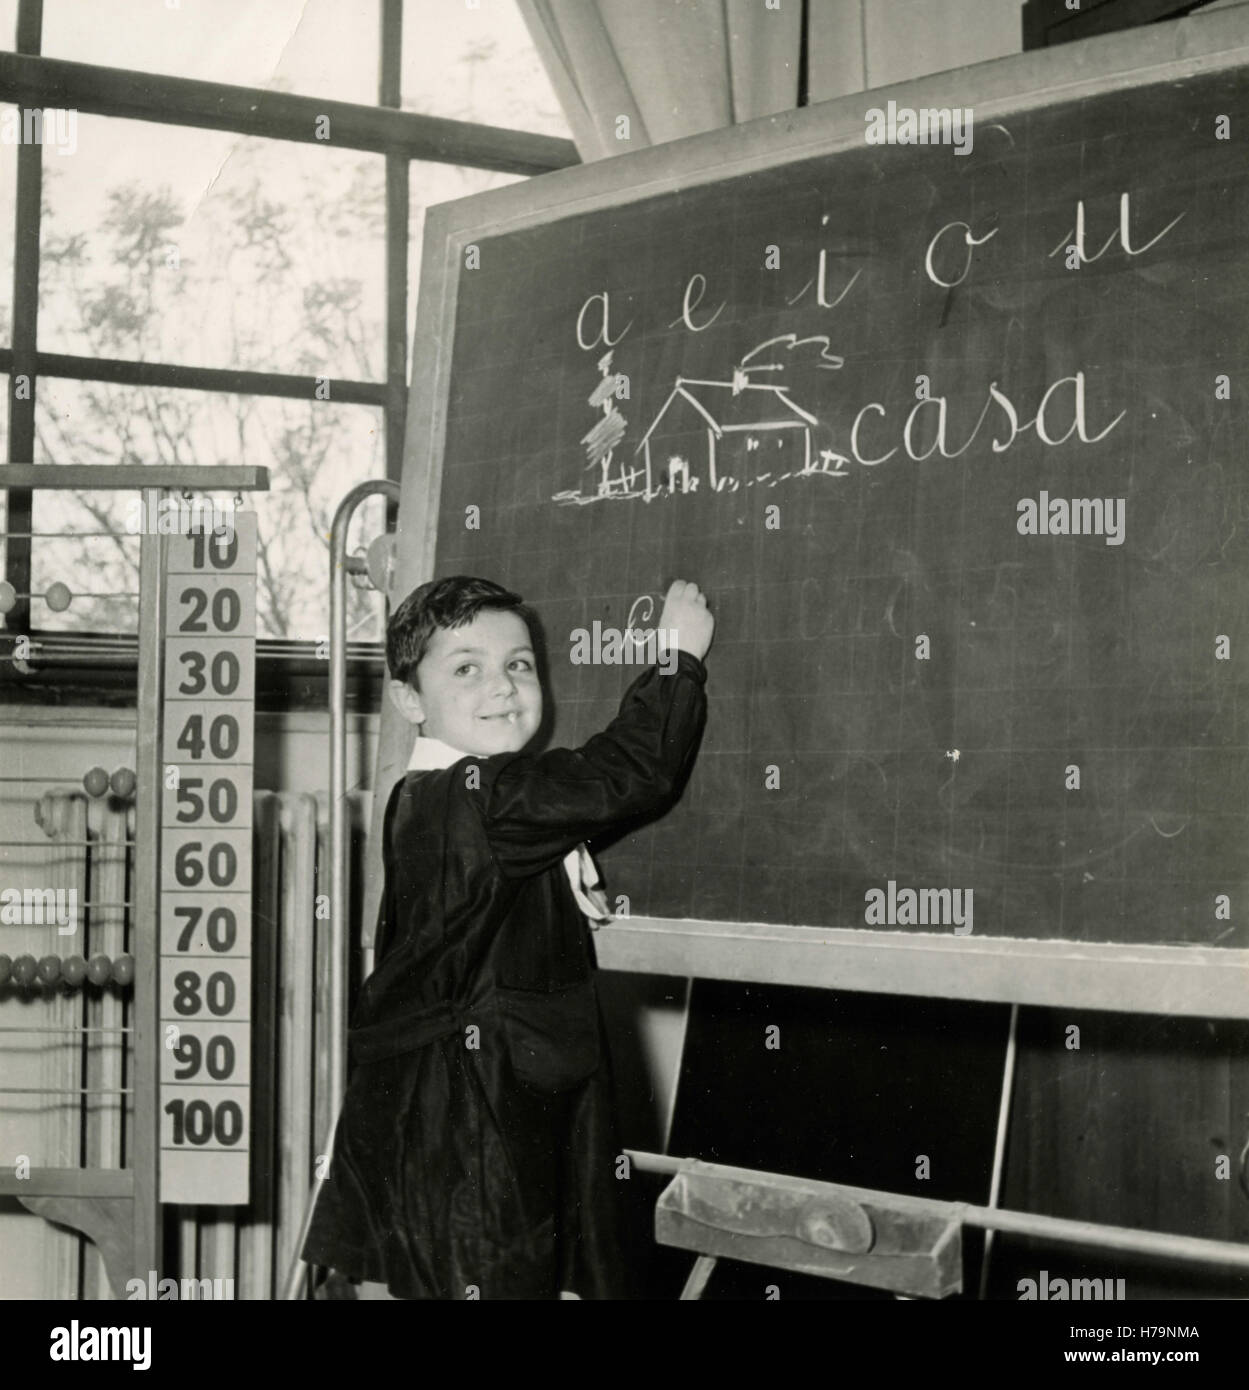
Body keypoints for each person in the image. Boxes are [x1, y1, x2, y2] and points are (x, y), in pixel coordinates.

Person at [302, 574, 712, 1299]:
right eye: (467, 669)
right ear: (408, 701)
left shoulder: (454, 793)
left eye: (518, 664)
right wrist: (676, 659)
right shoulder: (477, 800)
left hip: (466, 1104)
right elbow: (628, 774)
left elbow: (577, 806)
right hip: (468, 1123)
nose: (502, 686)